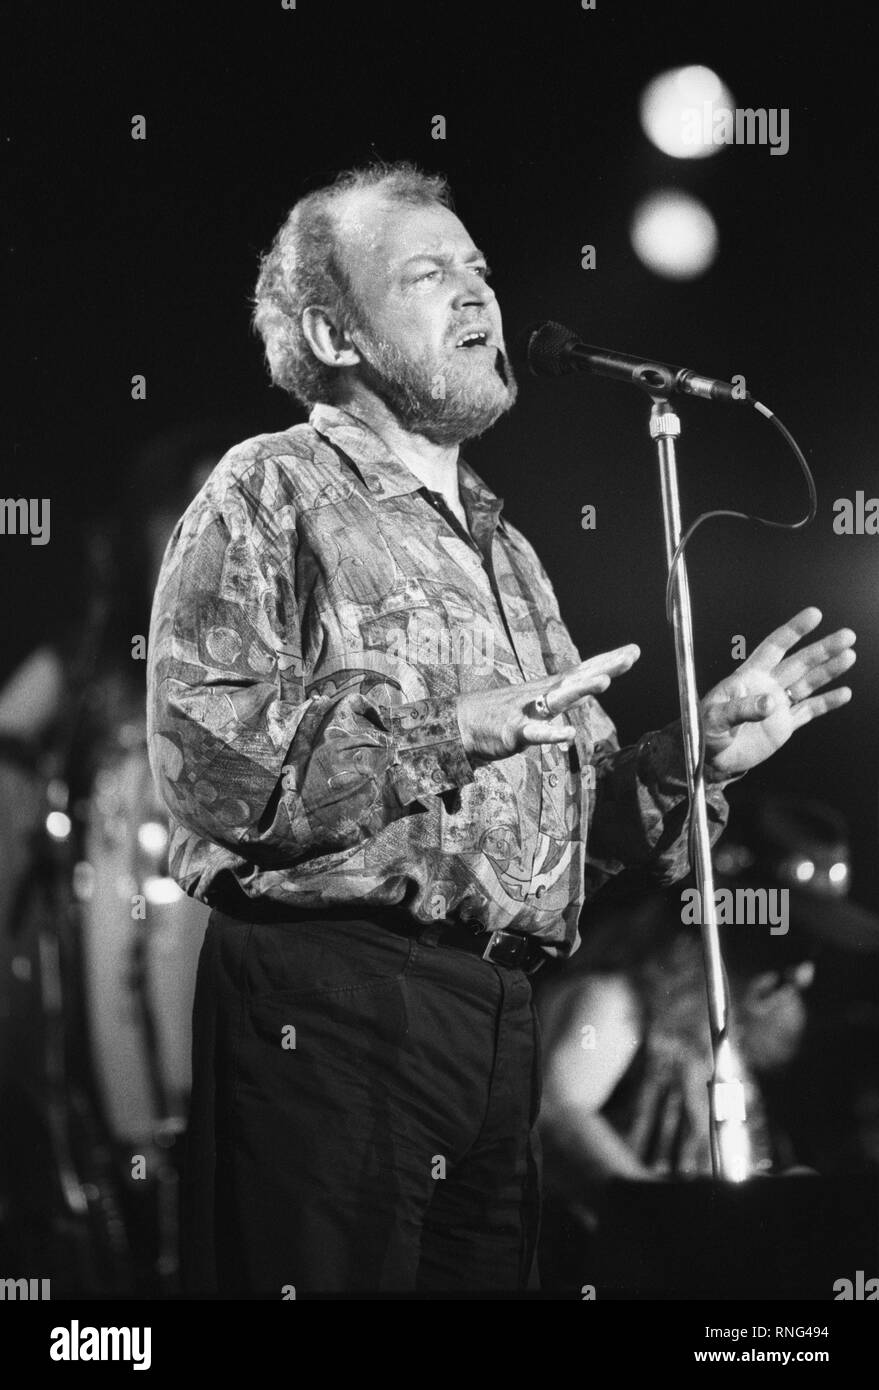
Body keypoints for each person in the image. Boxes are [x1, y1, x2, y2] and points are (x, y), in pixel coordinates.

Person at [145, 160, 856, 1296]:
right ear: (334, 332)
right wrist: (449, 731)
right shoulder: (269, 490)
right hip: (332, 1001)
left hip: (497, 1016)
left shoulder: (507, 549)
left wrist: (684, 763)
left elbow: (556, 831)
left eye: (478, 268)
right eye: (429, 273)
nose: (480, 295)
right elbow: (212, 771)